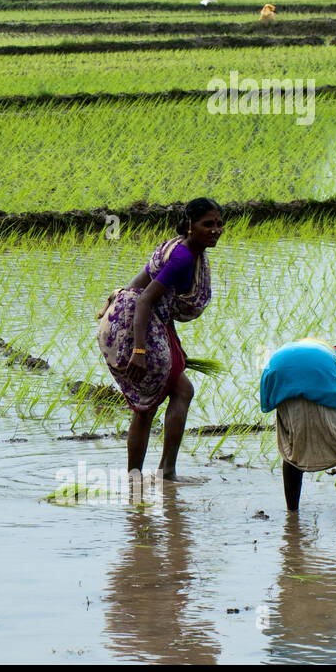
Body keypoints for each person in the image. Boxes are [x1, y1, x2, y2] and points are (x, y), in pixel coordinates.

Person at [96, 197, 223, 480]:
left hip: (139, 321)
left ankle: (160, 471)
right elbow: (144, 301)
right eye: (207, 224)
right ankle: (145, 476)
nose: (215, 230)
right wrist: (139, 351)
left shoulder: (185, 249)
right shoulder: (182, 257)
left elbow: (147, 293)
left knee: (180, 392)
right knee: (147, 407)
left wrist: (174, 348)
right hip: (133, 325)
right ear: (190, 225)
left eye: (219, 224)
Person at [260, 339, 336, 518]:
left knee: (292, 448)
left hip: (277, 369)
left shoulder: (320, 349)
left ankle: (292, 514)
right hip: (310, 372)